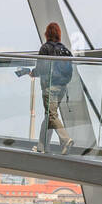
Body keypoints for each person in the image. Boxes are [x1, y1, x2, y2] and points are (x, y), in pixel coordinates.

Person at [29, 21, 75, 155]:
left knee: (51, 115)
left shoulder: (45, 48)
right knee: (48, 115)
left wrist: (33, 72)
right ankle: (42, 147)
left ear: (47, 34)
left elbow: (41, 69)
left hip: (50, 87)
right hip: (62, 88)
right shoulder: (65, 50)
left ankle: (66, 139)